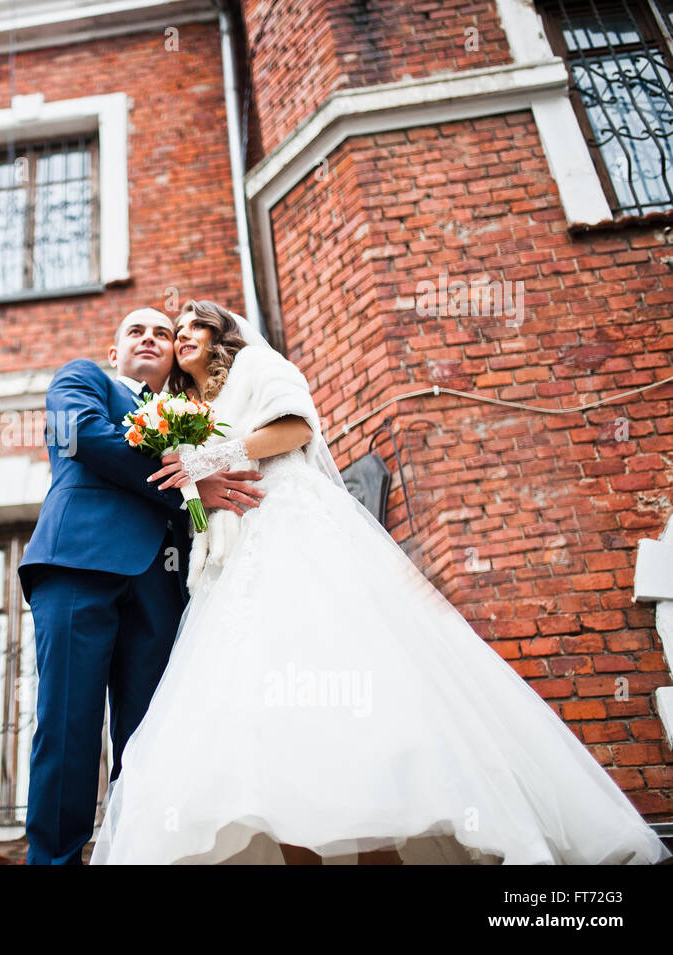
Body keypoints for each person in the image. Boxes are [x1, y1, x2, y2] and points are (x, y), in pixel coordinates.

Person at [90, 299, 672, 865]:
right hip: (231, 558)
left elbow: (294, 427)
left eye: (197, 324)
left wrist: (217, 455)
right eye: (179, 327)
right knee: (258, 742)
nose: (185, 332)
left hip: (292, 528)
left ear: (222, 335)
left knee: (349, 707)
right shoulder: (182, 407)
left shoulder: (257, 366)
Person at [17, 307, 266, 865]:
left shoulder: (194, 417)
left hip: (163, 586)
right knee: (67, 725)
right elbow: (82, 437)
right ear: (115, 352)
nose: (152, 339)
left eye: (163, 333)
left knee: (150, 739)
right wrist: (191, 485)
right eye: (137, 331)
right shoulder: (83, 378)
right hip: (79, 565)